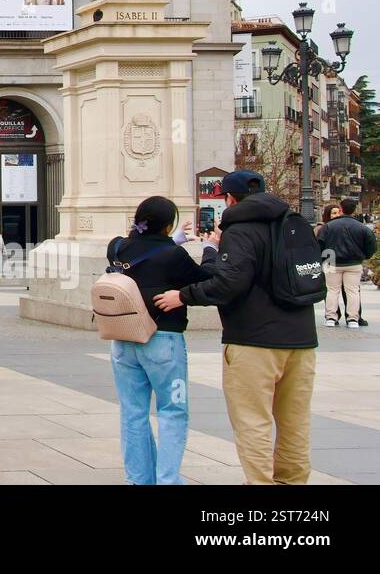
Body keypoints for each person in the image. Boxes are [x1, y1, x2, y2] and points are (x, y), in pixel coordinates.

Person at [154, 170, 317, 486]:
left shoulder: (240, 230)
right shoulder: (293, 223)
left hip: (254, 340)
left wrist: (182, 295)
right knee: (295, 421)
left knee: (252, 421)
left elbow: (229, 284)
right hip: (302, 339)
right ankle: (292, 482)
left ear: (229, 199)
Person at [106, 197, 217, 485]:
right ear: (169, 225)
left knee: (133, 413)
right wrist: (210, 248)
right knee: (172, 411)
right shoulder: (173, 257)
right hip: (162, 339)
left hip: (122, 337)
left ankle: (139, 479)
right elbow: (206, 278)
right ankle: (168, 480)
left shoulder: (116, 248)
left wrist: (172, 242)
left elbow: (145, 259)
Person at [318, 197, 376, 329]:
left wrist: (323, 258)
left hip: (331, 261)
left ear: (341, 209)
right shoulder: (362, 227)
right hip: (354, 262)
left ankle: (331, 317)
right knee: (353, 291)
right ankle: (353, 319)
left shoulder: (328, 226)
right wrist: (364, 256)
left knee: (332, 290)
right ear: (354, 210)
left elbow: (320, 243)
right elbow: (371, 245)